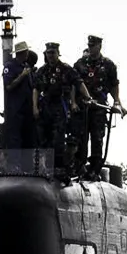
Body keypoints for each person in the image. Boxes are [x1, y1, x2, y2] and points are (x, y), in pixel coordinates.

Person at [73, 35, 127, 178]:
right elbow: (73, 84)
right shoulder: (80, 64)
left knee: (97, 140)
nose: (90, 48)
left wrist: (117, 102)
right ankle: (80, 167)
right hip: (82, 108)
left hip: (99, 108)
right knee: (81, 139)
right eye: (89, 46)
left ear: (99, 46)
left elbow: (114, 85)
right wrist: (73, 102)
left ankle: (94, 170)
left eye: (93, 46)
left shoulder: (109, 65)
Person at [32, 42, 89, 177]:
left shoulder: (66, 69)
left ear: (58, 53)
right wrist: (34, 107)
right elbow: (36, 89)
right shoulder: (42, 70)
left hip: (59, 107)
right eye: (48, 53)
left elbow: (79, 83)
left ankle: (58, 168)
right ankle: (44, 168)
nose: (50, 55)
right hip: (45, 107)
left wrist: (88, 97)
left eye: (53, 53)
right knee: (43, 139)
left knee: (57, 139)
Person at [1, 43, 38, 152]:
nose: (27, 54)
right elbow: (8, 86)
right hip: (15, 110)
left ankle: (27, 167)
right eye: (25, 52)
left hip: (27, 109)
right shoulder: (10, 66)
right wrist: (22, 75)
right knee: (15, 140)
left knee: (29, 139)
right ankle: (15, 166)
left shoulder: (26, 66)